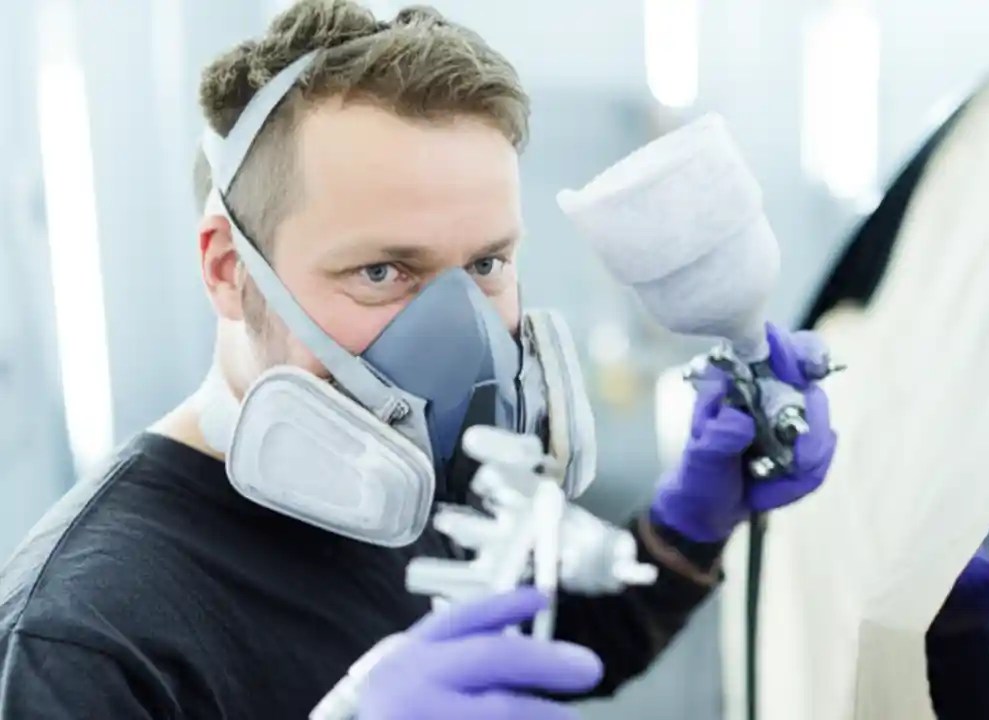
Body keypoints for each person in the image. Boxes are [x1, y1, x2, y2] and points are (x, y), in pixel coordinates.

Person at [0, 2, 837, 718]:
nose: (460, 336)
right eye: (380, 272)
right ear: (227, 267)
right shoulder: (80, 637)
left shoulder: (425, 474)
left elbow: (532, 652)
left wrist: (688, 528)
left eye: (485, 266)